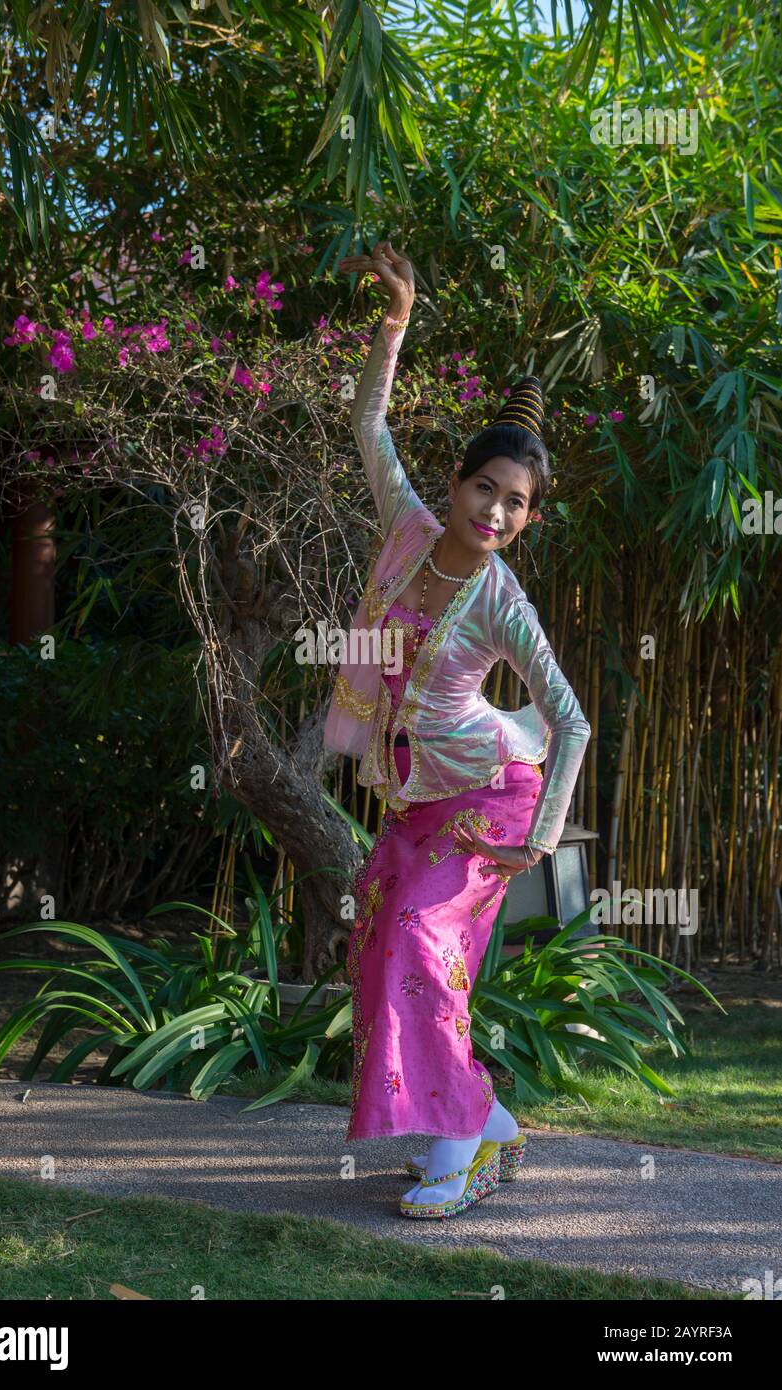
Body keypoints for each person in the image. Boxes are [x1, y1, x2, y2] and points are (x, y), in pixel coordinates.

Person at [325, 240, 591, 1219]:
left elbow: (569, 719)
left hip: (488, 800)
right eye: (487, 488)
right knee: (388, 947)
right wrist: (394, 328)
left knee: (421, 948)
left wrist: (542, 838)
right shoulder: (404, 524)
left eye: (516, 505)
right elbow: (367, 420)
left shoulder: (498, 598)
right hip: (415, 796)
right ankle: (487, 1126)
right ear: (457, 480)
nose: (496, 511)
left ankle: (457, 1158)